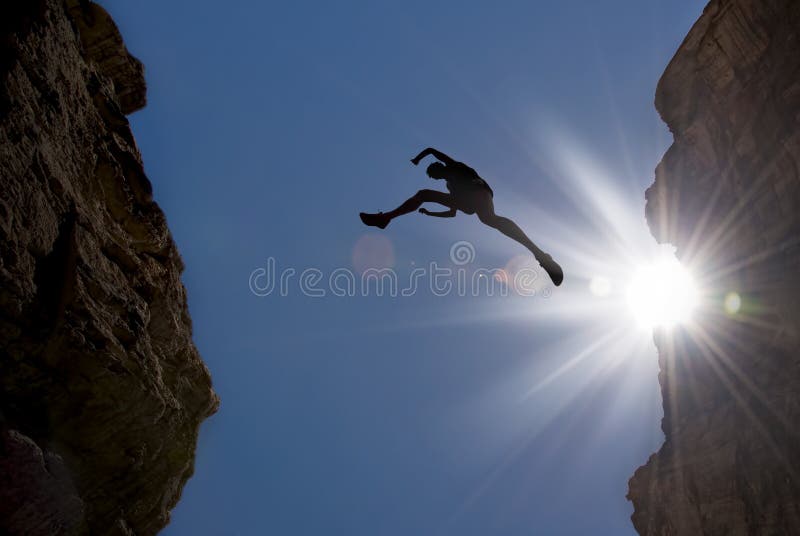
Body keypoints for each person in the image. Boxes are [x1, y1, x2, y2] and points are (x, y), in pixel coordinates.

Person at [360, 147, 563, 286]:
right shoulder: (450, 186)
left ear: (440, 167)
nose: (437, 177)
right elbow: (451, 213)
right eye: (435, 177)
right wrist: (430, 212)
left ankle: (541, 256)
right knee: (426, 195)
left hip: (479, 192)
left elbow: (431, 150)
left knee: (489, 219)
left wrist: (418, 158)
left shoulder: (453, 166)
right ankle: (385, 218)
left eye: (436, 172)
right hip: (468, 202)